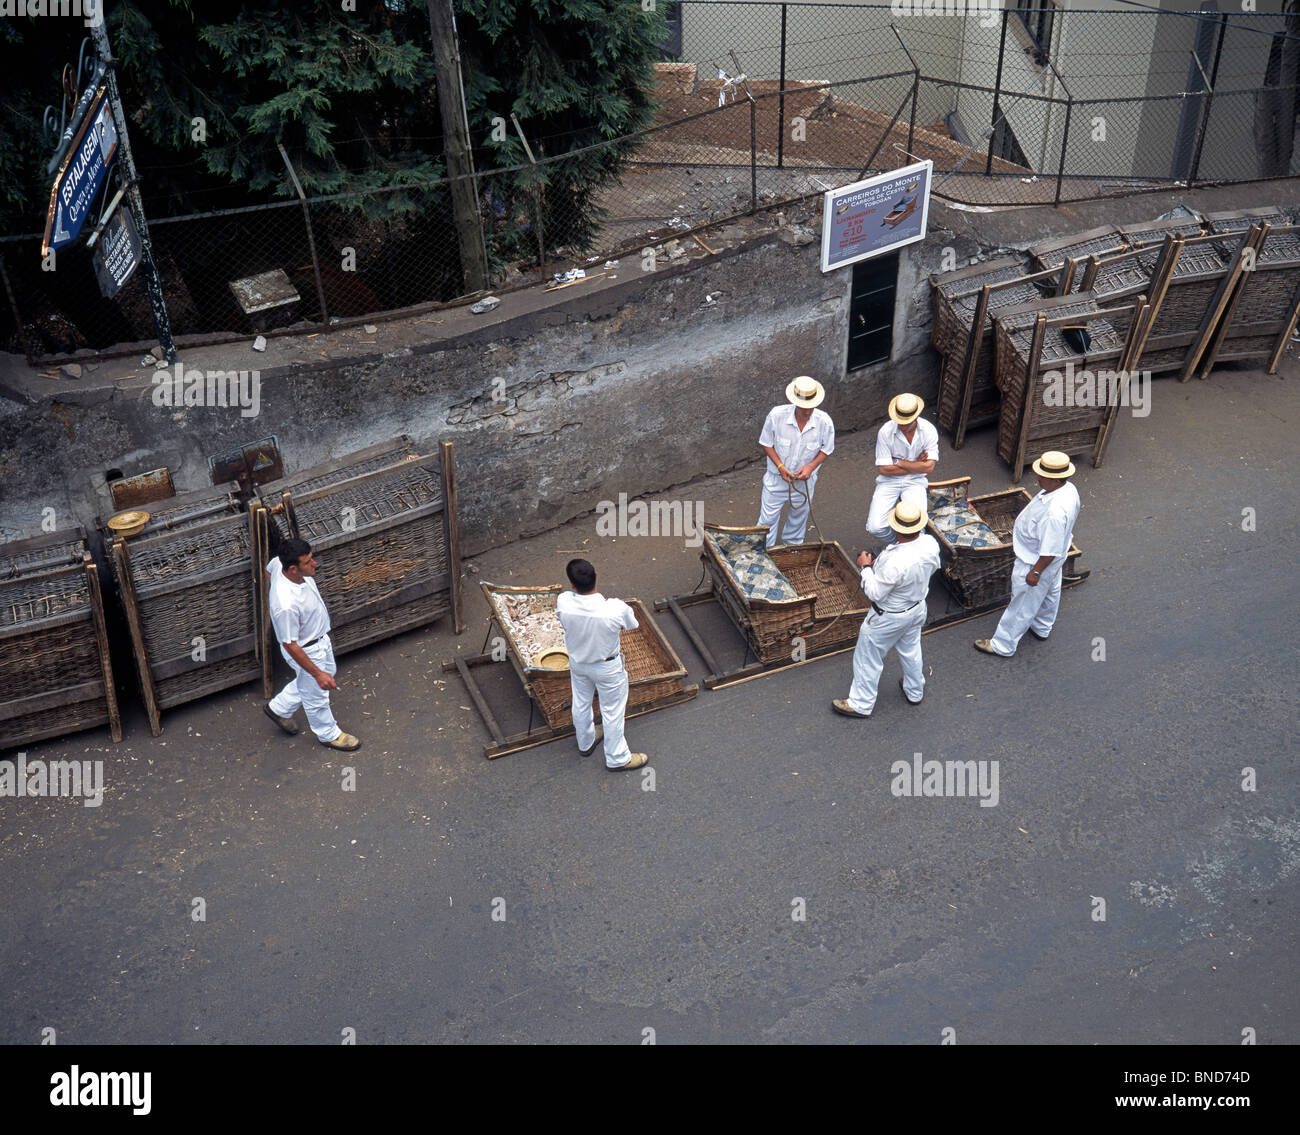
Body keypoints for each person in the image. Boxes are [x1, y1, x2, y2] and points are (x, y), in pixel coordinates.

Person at [833, 500, 941, 718]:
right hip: (917, 608)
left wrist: (865, 567)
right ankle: (914, 690)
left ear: (895, 527)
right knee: (911, 650)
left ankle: (861, 704)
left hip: (889, 617)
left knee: (868, 658)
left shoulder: (893, 561)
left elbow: (874, 592)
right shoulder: (930, 544)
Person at [974, 451, 1081, 658]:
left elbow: (1048, 551)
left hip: (1035, 560)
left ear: (1056, 479)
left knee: (1023, 602)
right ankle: (1042, 626)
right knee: (1051, 591)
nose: (1038, 477)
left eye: (1042, 475)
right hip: (1055, 557)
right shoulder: (1069, 489)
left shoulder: (1054, 513)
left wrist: (1036, 572)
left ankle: (1003, 645)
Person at [262, 537, 361, 751]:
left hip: (320, 639)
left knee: (326, 673)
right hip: (306, 649)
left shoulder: (279, 563)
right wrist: (316, 674)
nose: (314, 564)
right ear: (293, 569)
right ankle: (328, 734)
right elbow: (290, 645)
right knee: (317, 693)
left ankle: (279, 708)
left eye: (311, 558)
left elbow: (268, 570)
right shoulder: (286, 605)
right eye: (308, 563)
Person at [555, 559, 648, 771]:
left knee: (581, 701)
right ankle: (617, 758)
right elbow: (631, 624)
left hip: (578, 663)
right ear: (596, 574)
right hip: (607, 667)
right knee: (612, 711)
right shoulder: (615, 608)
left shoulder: (564, 601)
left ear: (572, 584)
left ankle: (585, 741)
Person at [756, 375, 835, 548]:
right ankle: (764, 552)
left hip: (804, 482)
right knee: (767, 521)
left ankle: (792, 550)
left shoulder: (825, 422)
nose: (807, 411)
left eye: (811, 407)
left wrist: (811, 467)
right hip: (776, 479)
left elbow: (826, 449)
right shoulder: (776, 415)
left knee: (798, 519)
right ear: (794, 402)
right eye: (803, 407)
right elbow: (766, 443)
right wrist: (780, 466)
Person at [866, 392, 939, 544]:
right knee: (875, 527)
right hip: (888, 481)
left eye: (907, 422)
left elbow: (929, 468)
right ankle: (898, 545)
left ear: (916, 418)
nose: (902, 425)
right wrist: (917, 465)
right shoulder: (885, 432)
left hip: (915, 481)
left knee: (918, 524)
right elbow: (884, 470)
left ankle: (910, 547)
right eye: (900, 421)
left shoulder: (929, 430)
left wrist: (899, 462)